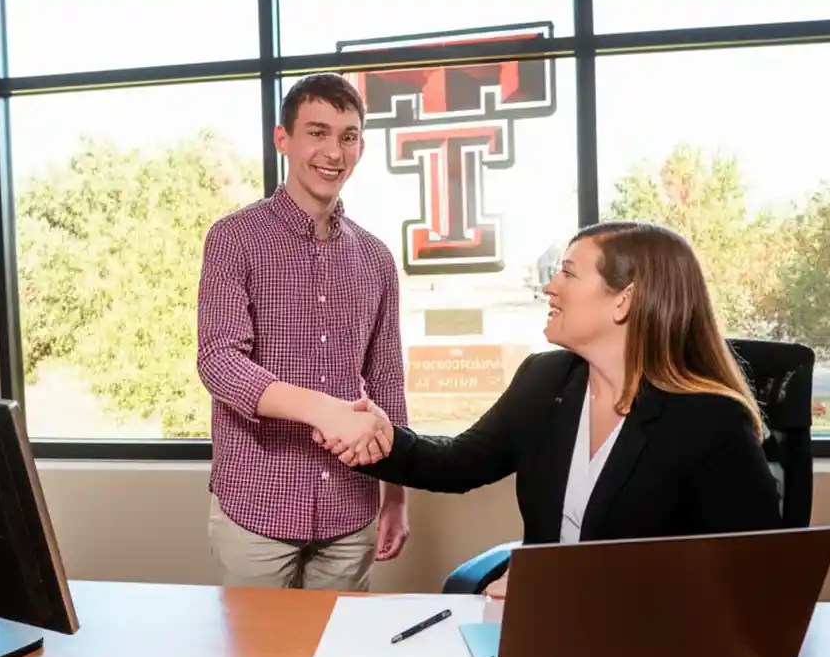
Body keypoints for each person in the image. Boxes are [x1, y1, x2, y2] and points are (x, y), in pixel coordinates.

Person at [324, 220, 783, 596]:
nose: (550, 286)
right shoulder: (545, 380)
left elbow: (751, 579)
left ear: (624, 299)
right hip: (549, 630)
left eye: (568, 272)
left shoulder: (710, 422)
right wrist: (381, 438)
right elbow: (459, 464)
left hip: (652, 644)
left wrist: (556, 588)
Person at [196, 73, 410, 592]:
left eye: (348, 135)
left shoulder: (377, 258)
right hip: (257, 503)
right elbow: (219, 361)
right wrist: (323, 409)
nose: (333, 151)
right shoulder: (233, 238)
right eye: (317, 132)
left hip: (350, 507)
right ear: (283, 139)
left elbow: (387, 382)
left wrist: (398, 497)